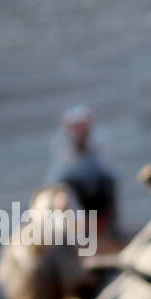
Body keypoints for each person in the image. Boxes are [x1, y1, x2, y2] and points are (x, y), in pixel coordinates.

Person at [47, 106, 121, 253]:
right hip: (76, 212)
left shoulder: (98, 147)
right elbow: (58, 186)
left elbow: (108, 177)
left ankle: (108, 234)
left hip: (99, 208)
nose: (80, 132)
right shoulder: (63, 153)